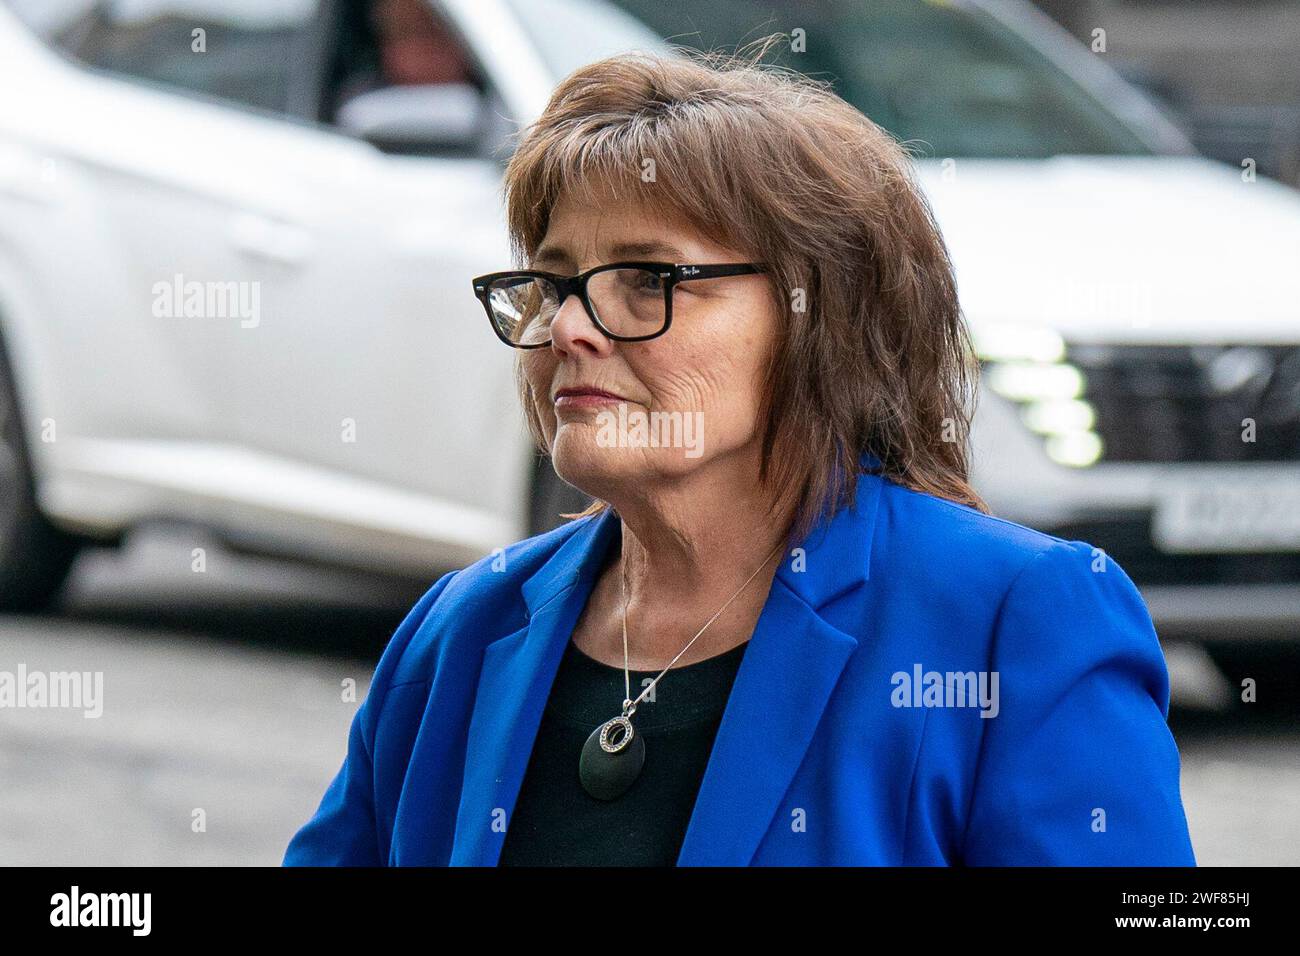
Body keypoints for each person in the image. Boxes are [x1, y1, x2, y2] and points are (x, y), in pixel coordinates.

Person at [284, 40, 1196, 866]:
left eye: (647, 280)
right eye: (553, 282)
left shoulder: (1015, 621)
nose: (568, 326)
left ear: (821, 319)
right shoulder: (465, 626)